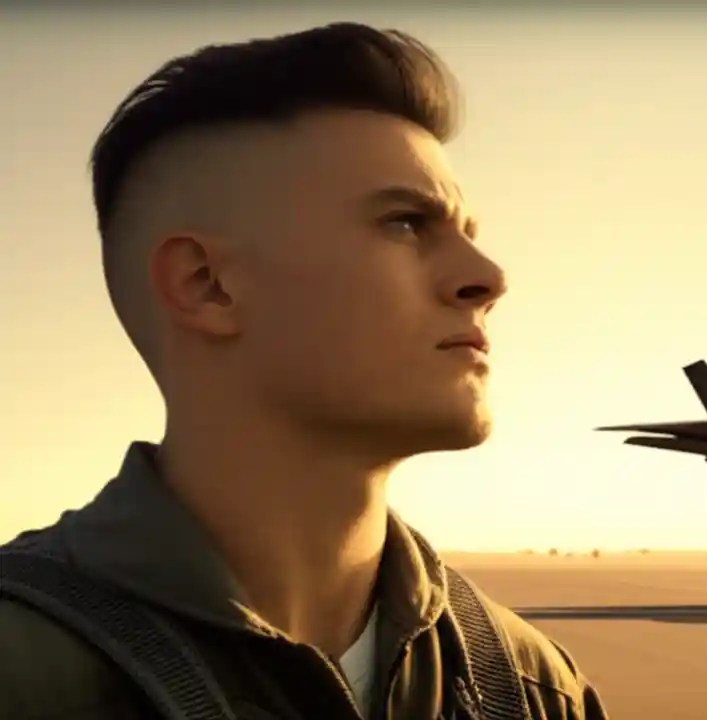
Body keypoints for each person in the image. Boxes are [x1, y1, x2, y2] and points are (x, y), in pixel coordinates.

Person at [0, 21, 609, 720]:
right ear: (206, 284)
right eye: (407, 223)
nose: (487, 277)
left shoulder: (529, 685)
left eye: (467, 235)